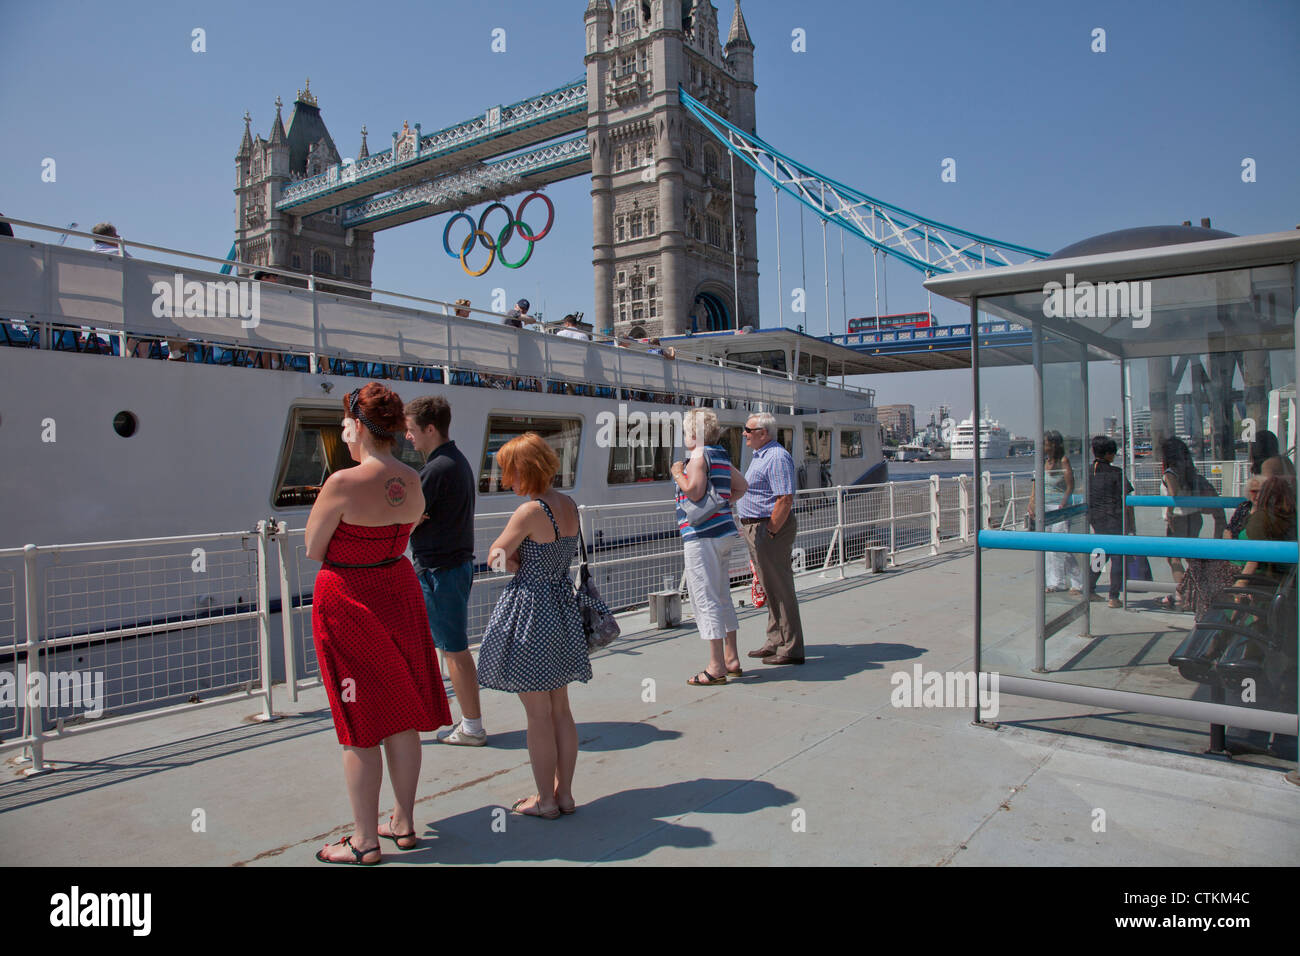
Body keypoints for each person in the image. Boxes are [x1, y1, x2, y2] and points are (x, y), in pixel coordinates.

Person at [305, 383, 453, 863]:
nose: (342, 429)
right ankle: (404, 823)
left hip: (348, 600)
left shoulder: (343, 483)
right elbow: (406, 528)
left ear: (360, 427)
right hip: (399, 593)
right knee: (402, 715)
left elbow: (313, 548)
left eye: (346, 421)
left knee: (359, 723)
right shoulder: (412, 479)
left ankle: (364, 841)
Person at [476, 433, 594, 818]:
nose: (507, 480)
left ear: (523, 471)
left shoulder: (529, 512)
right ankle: (566, 795)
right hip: (561, 610)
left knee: (537, 714)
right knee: (561, 708)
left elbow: (495, 555)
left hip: (531, 612)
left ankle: (544, 800)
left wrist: (511, 563)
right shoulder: (569, 505)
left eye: (509, 473)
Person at [404, 395, 487, 746]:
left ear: (430, 428)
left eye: (410, 430)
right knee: (450, 648)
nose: (408, 437)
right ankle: (463, 721)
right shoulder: (456, 462)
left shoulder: (436, 469)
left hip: (440, 569)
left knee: (454, 650)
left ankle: (472, 727)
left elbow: (407, 517)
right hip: (453, 564)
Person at [671, 408, 749, 685]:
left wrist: (678, 473)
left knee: (704, 599)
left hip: (702, 536)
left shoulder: (697, 456)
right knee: (722, 595)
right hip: (725, 532)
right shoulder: (720, 455)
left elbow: (694, 491)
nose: (684, 438)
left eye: (685, 432)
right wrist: (722, 504)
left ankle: (716, 667)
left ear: (693, 434)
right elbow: (742, 486)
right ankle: (732, 659)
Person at [735, 412, 805, 665]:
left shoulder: (775, 457)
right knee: (769, 587)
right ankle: (776, 640)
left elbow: (784, 498)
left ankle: (791, 648)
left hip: (768, 528)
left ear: (763, 433)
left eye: (748, 430)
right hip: (758, 528)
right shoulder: (761, 456)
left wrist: (771, 532)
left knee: (780, 588)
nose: (744, 434)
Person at [1159, 437, 1225, 609]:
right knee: (1192, 558)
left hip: (1179, 519)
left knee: (1174, 559)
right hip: (1195, 517)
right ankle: (1199, 591)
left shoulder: (1170, 472)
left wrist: (1169, 512)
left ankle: (1183, 596)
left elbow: (1173, 494)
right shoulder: (1191, 471)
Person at [1028, 430, 1083, 594]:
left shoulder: (1063, 461)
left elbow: (1070, 485)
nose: (1043, 446)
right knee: (1049, 549)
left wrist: (1063, 504)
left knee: (1062, 547)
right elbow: (1037, 484)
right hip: (1045, 508)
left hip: (1059, 508)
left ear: (1053, 444)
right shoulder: (1044, 463)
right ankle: (1055, 583)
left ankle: (1077, 582)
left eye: (1045, 443)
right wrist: (1032, 503)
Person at [1085, 435, 1135, 608]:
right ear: (1108, 453)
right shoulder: (1115, 472)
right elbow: (1126, 499)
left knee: (1100, 554)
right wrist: (1131, 525)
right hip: (1114, 517)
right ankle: (1114, 596)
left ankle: (1089, 588)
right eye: (1113, 453)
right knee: (1118, 557)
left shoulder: (1088, 472)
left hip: (1096, 519)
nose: (1114, 456)